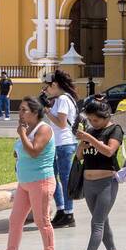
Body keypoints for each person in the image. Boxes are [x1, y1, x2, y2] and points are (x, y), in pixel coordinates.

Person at [0, 98, 56, 250]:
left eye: (24, 110)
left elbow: (34, 151)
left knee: (42, 220)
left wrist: (22, 134)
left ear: (35, 112)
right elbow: (20, 151)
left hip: (41, 181)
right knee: (15, 220)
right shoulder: (28, 129)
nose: (20, 113)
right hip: (24, 182)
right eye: (20, 109)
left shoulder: (44, 129)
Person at [68, 100, 125, 250]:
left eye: (96, 120)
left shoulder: (115, 129)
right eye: (91, 120)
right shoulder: (91, 131)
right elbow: (79, 156)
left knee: (97, 222)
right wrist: (81, 146)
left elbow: (109, 151)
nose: (93, 123)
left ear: (106, 117)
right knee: (102, 221)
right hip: (88, 183)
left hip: (106, 183)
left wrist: (89, 138)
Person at [41, 69, 79, 229]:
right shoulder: (61, 98)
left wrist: (47, 111)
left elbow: (62, 123)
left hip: (64, 144)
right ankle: (62, 211)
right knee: (52, 177)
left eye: (48, 87)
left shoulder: (63, 99)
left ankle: (68, 213)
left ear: (55, 85)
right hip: (58, 144)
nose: (46, 90)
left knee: (63, 179)